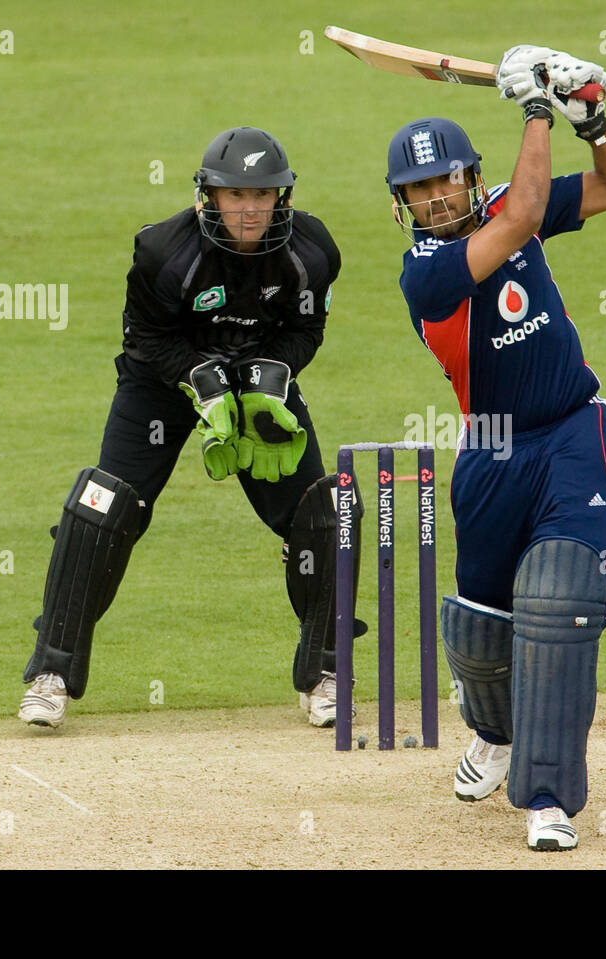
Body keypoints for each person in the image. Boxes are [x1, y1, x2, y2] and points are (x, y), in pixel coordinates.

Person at [18, 126, 364, 731]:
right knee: (102, 509)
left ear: (282, 197)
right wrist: (201, 380)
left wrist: (267, 377)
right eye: (236, 194)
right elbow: (145, 339)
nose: (251, 208)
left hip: (259, 389)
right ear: (209, 195)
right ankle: (51, 674)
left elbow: (306, 331)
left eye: (264, 194)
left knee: (325, 512)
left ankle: (326, 673)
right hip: (161, 386)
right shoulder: (163, 252)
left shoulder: (313, 251)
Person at [384, 46, 606, 850]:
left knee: (559, 602)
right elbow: (523, 218)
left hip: (571, 429)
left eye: (445, 180)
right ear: (403, 203)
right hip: (491, 452)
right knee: (481, 629)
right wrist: (536, 108)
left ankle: (548, 799)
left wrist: (590, 121)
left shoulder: (504, 200)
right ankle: (494, 734)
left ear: (470, 177)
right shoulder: (425, 273)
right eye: (417, 189)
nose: (434, 199)